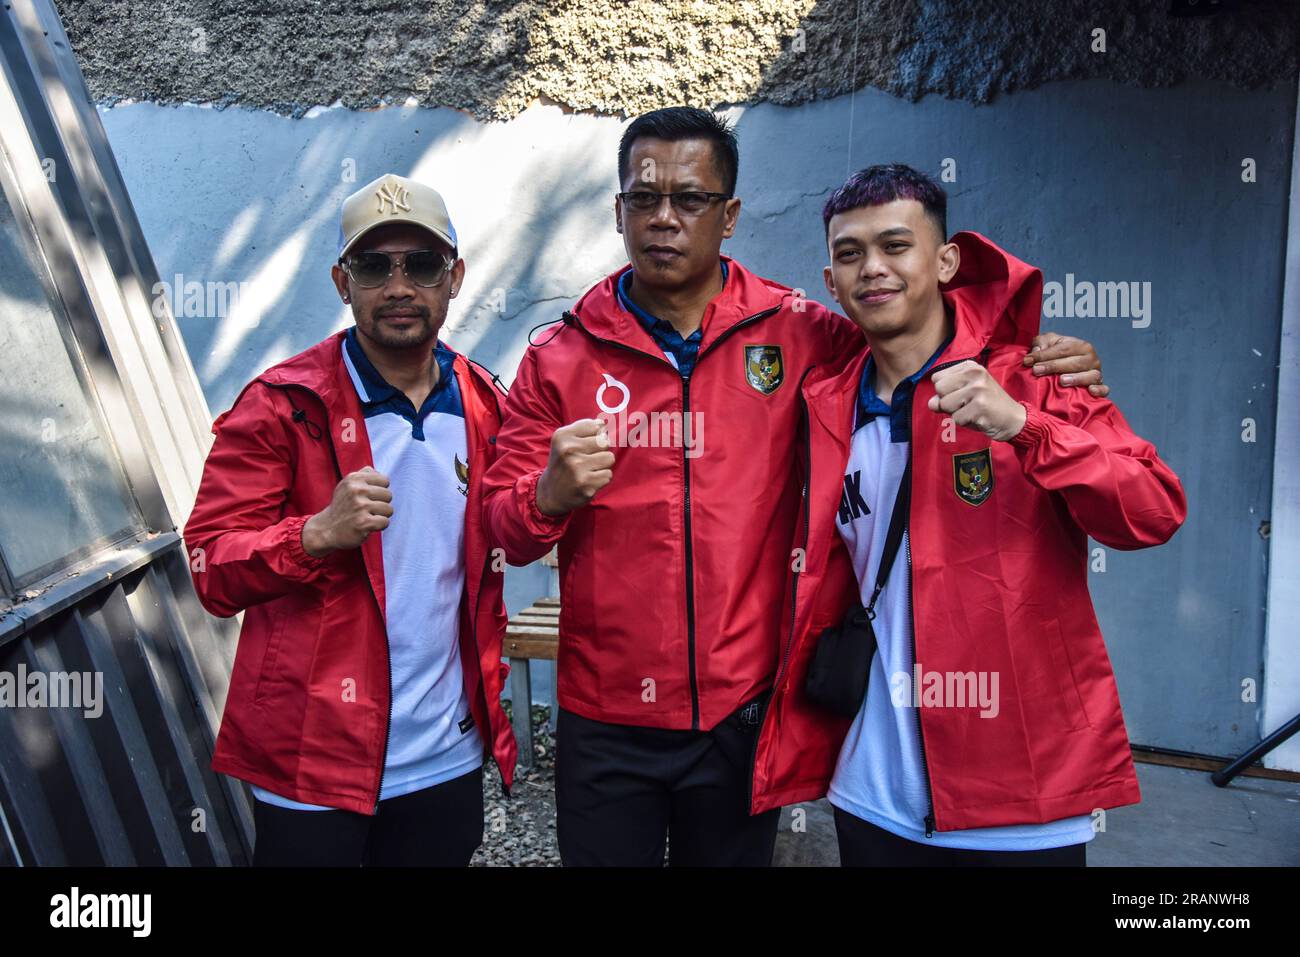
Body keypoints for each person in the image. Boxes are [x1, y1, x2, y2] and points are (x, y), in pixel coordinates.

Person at [482, 108, 1106, 866]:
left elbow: (918, 330)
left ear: (731, 214)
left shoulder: (805, 332)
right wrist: (546, 495)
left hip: (742, 712)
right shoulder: (558, 355)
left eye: (691, 199)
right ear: (618, 211)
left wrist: (1024, 353)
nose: (665, 219)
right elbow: (504, 528)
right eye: (643, 199)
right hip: (607, 719)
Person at [748, 164, 1187, 866]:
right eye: (850, 253)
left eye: (897, 245)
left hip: (1020, 797)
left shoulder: (1034, 382)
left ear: (946, 260)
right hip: (870, 793)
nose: (873, 269)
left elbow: (1153, 510)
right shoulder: (823, 404)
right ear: (829, 282)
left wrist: (1025, 427)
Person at [184, 173, 516, 866]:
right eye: (374, 265)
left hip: (446, 754)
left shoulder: (486, 401)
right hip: (315, 762)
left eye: (421, 264)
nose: (399, 286)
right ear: (343, 281)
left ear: (454, 277)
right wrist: (312, 535)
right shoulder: (282, 404)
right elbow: (211, 568)